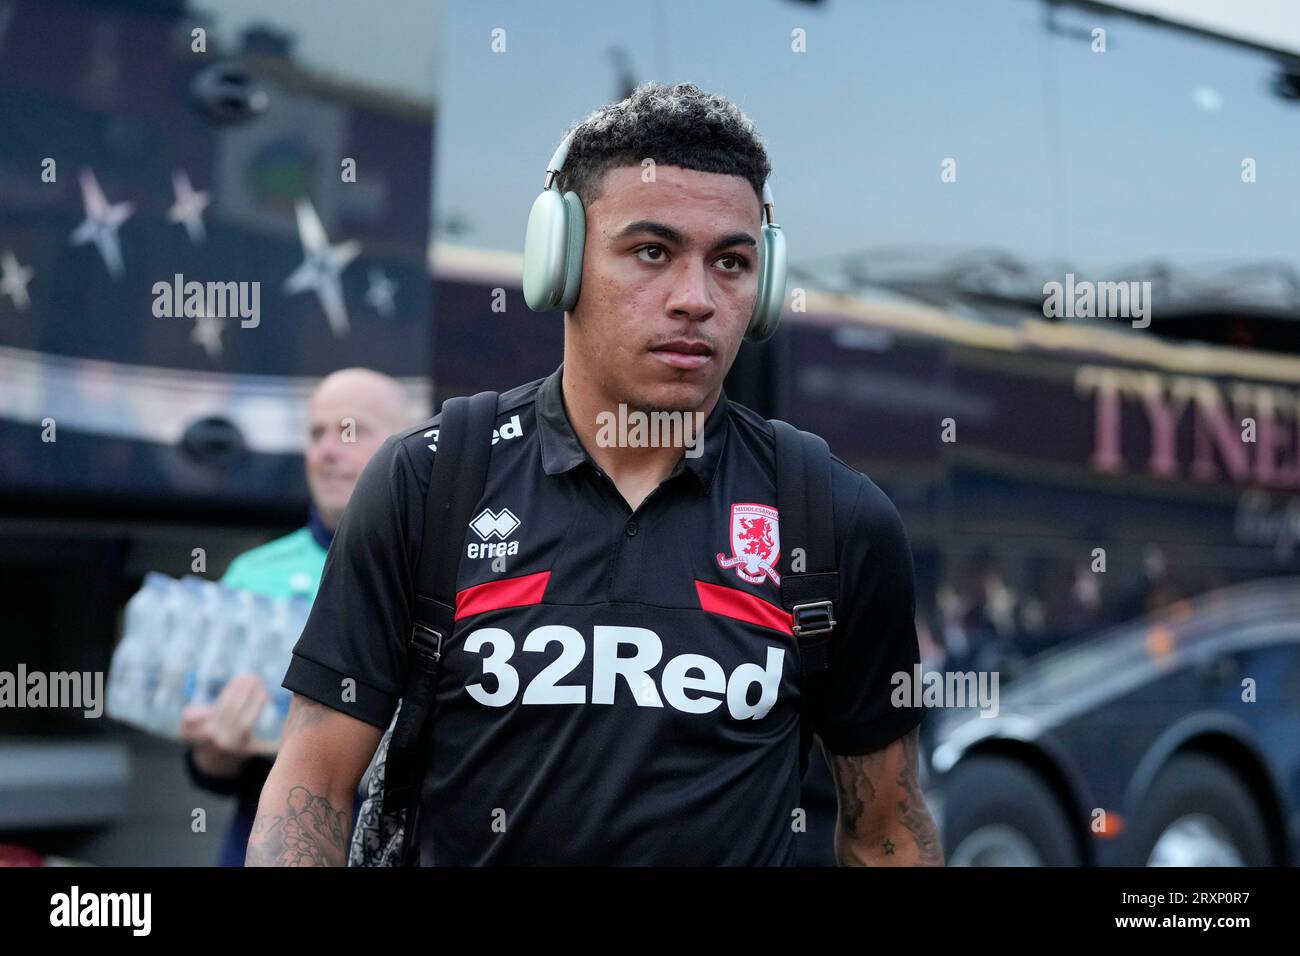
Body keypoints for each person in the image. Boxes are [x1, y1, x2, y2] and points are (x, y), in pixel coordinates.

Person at [248, 82, 942, 866]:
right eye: (652, 251)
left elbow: (887, 830)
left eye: (732, 262)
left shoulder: (834, 517)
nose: (696, 300)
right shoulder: (427, 482)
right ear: (562, 261)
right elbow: (313, 783)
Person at [180, 367, 412, 866]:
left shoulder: (449, 572)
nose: (327, 450)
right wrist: (215, 752)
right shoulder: (251, 577)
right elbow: (207, 764)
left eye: (349, 430)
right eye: (315, 433)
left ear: (407, 443)